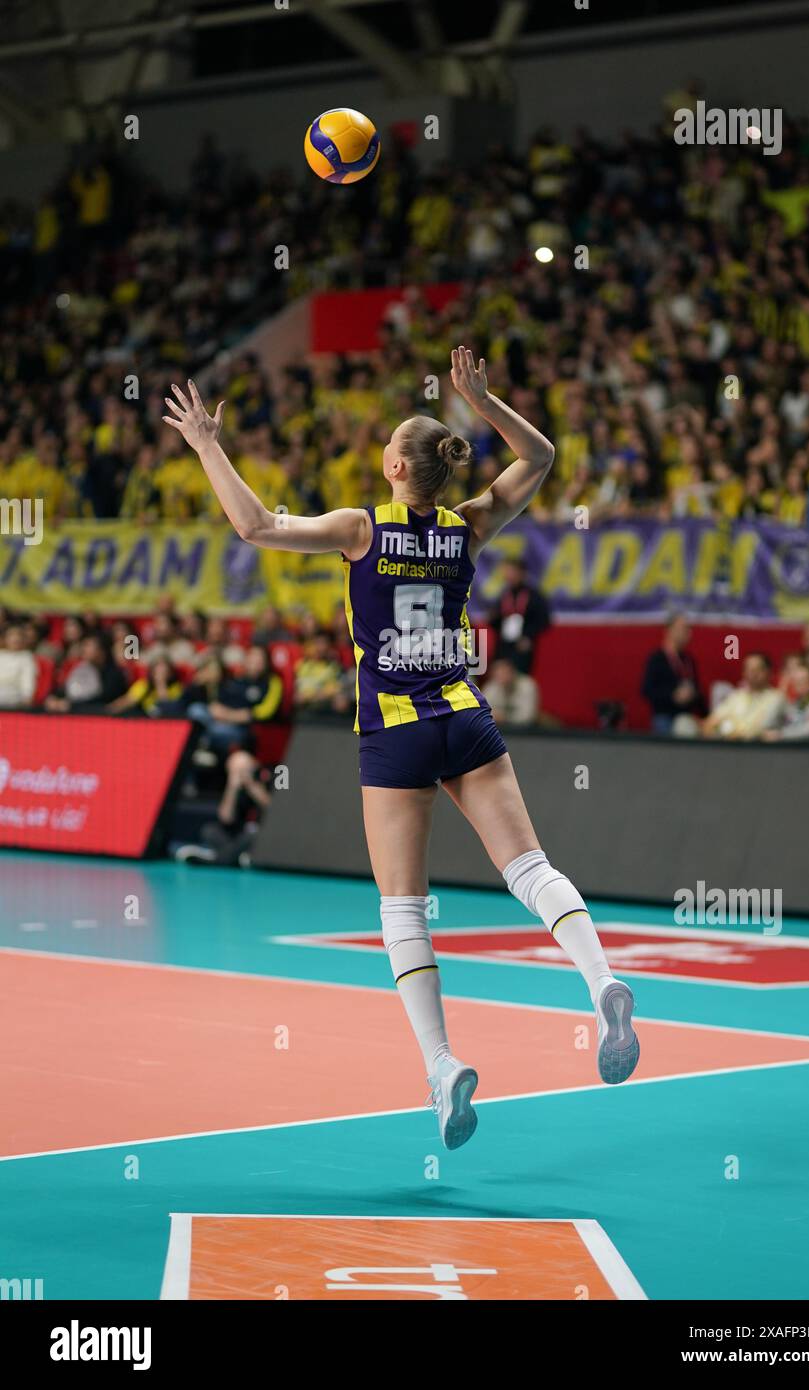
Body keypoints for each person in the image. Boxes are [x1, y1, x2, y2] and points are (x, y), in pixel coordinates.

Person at [163, 358, 640, 1151]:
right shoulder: (468, 526)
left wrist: (209, 444)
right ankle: (602, 981)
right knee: (530, 869)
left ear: (391, 469)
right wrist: (486, 403)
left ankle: (443, 1063)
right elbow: (543, 458)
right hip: (463, 712)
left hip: (394, 731)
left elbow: (254, 526)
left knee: (401, 910)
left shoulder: (360, 528)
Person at [640, 614, 705, 735]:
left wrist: (692, 695)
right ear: (668, 631)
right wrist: (672, 696)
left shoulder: (689, 661)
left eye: (688, 629)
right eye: (683, 629)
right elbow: (646, 690)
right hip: (664, 716)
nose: (688, 633)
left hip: (686, 716)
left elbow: (698, 690)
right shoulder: (657, 659)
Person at [701, 653, 785, 741]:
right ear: (744, 673)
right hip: (727, 749)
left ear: (769, 672)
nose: (754, 673)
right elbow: (710, 724)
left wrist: (728, 730)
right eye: (749, 669)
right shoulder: (736, 696)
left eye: (758, 669)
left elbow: (758, 730)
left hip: (758, 750)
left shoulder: (777, 698)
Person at [488, 557, 550, 674]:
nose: (509, 575)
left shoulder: (534, 596)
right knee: (499, 676)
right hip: (503, 645)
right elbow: (495, 621)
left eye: (512, 571)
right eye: (507, 572)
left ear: (522, 573)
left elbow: (544, 620)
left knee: (520, 678)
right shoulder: (504, 595)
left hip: (522, 646)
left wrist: (528, 636)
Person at [483, 656, 540, 727]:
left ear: (512, 673)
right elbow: (483, 711)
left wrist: (505, 718)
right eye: (498, 675)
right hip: (498, 729)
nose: (501, 677)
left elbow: (528, 716)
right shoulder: (492, 686)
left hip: (525, 731)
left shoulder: (527, 685)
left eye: (504, 673)